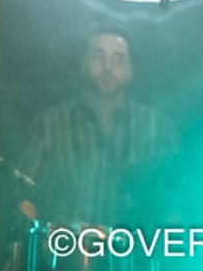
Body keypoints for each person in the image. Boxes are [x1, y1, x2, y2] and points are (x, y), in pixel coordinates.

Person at [15, 25, 180, 228]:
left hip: (132, 253)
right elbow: (22, 192)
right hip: (62, 252)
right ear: (84, 64)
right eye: (98, 56)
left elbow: (176, 197)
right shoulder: (49, 124)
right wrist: (36, 236)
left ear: (130, 70)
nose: (108, 67)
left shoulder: (158, 128)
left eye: (118, 59)